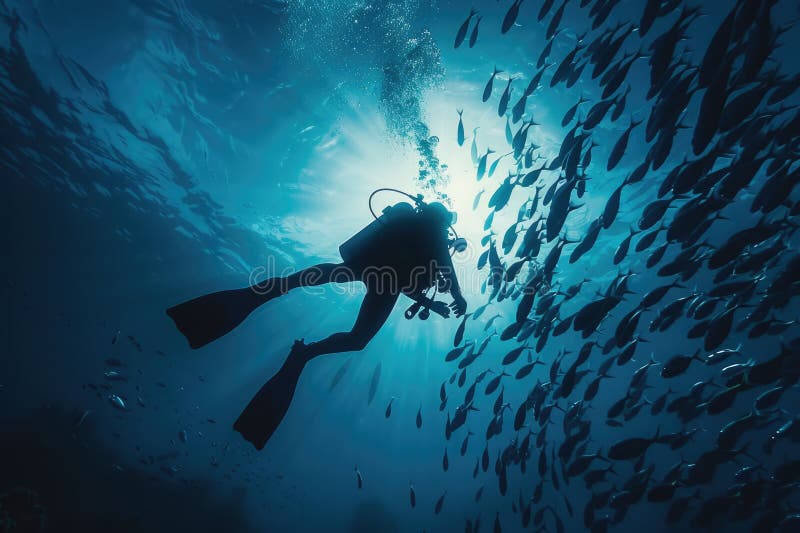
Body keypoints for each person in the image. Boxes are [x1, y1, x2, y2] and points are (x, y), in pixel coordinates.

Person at [166, 197, 467, 450]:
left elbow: (412, 280)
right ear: (444, 222)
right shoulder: (436, 236)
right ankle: (305, 354)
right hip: (385, 284)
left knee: (304, 284)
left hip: (366, 266)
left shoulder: (409, 221)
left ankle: (267, 293)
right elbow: (438, 278)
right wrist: (454, 300)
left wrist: (430, 303)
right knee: (357, 339)